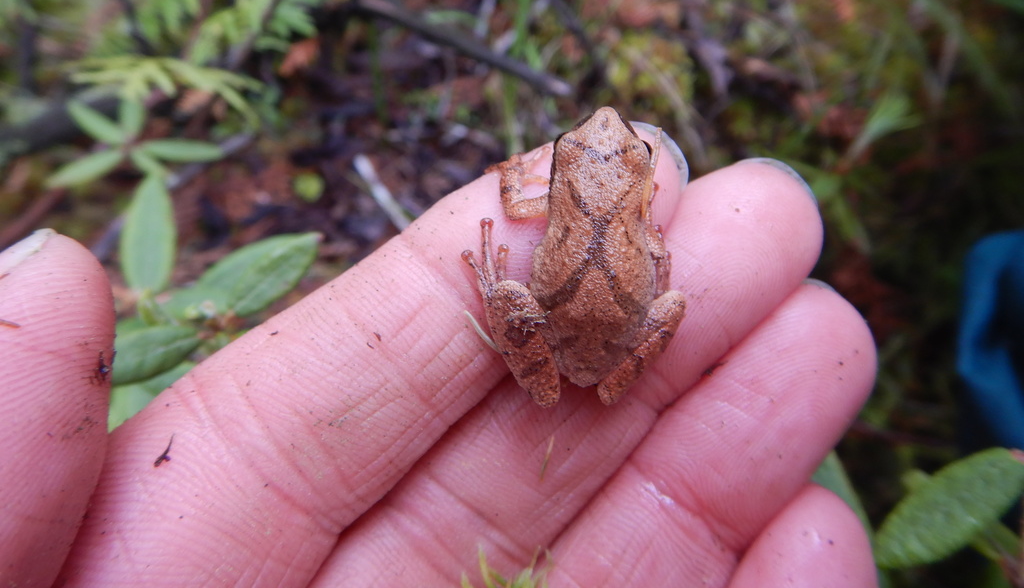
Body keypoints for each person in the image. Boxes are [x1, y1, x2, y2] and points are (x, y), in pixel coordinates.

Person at [0, 143, 877, 587]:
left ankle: (513, 302)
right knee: (671, 300)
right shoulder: (646, 214)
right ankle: (603, 359)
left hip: (561, 331)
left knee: (529, 295)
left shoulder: (551, 194)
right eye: (580, 151)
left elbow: (509, 195)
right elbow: (652, 255)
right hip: (615, 356)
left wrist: (513, 190)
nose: (600, 145)